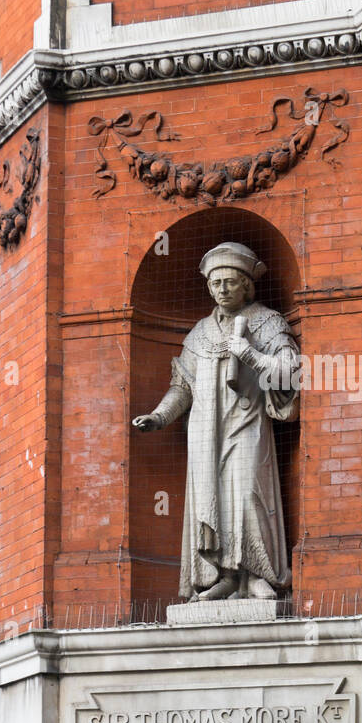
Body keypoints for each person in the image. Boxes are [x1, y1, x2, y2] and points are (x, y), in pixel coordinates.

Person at [133, 242, 299, 601]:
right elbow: (182, 387)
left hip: (246, 425)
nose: (221, 289)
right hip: (206, 434)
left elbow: (289, 374)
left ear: (246, 285)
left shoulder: (267, 322)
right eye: (215, 283)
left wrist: (250, 355)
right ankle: (221, 576)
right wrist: (159, 417)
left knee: (247, 495)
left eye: (229, 282)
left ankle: (256, 574)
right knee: (210, 501)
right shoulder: (199, 333)